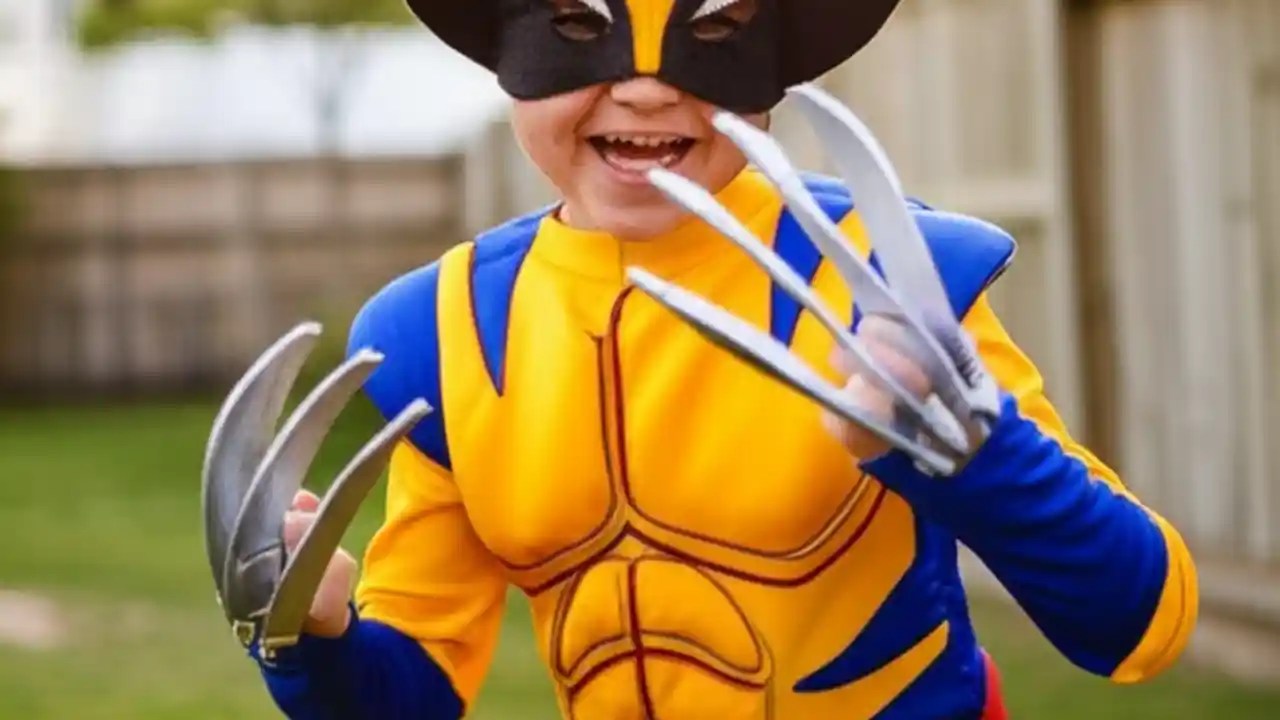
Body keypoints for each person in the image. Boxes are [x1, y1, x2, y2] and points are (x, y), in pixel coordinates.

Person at [252, 1, 1199, 717]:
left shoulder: (877, 275)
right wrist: (316, 635)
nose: (646, 89)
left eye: (714, 27)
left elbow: (1140, 619)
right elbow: (411, 690)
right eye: (578, 24)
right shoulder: (456, 328)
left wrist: (976, 453)